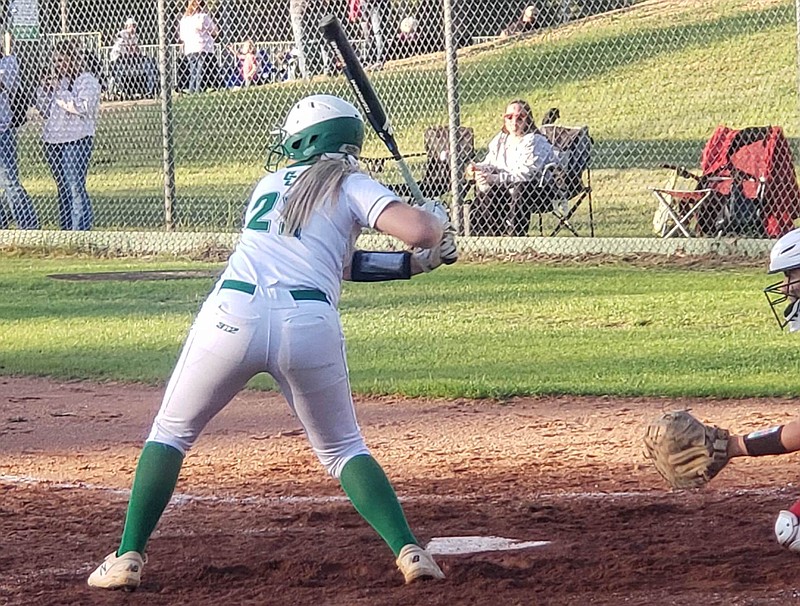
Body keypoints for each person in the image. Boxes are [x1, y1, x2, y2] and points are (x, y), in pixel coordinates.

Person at [86, 94, 455, 591]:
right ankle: (410, 552)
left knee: (171, 432)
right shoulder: (351, 182)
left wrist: (418, 262)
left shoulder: (271, 184)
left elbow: (339, 262)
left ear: (303, 142)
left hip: (231, 317)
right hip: (308, 323)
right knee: (344, 449)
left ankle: (127, 555)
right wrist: (433, 224)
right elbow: (413, 230)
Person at [35, 40, 101, 231]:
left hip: (77, 139)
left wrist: (60, 92)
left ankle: (80, 230)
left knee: (75, 187)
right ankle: (66, 230)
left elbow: (83, 107)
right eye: (55, 61)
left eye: (62, 60)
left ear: (74, 60)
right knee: (63, 188)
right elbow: (46, 110)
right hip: (53, 140)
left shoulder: (86, 80)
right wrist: (44, 91)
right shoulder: (59, 83)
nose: (58, 65)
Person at [467, 99, 557, 236]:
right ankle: (490, 235)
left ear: (528, 120)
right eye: (509, 117)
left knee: (520, 186)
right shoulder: (501, 139)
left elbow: (526, 175)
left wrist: (495, 178)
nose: (514, 121)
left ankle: (515, 237)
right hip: (505, 186)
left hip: (538, 190)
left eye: (520, 117)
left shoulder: (534, 140)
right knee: (487, 188)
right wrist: (477, 168)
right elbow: (490, 163)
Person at [0, 32, 38, 230]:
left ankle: (29, 227)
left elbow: (13, 88)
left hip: (3, 130)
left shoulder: (8, 63)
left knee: (10, 181)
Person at [109, 18, 157, 99]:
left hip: (132, 61)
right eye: (131, 26)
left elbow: (137, 52)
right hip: (119, 62)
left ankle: (150, 90)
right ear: (126, 27)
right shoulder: (122, 35)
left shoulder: (135, 37)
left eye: (134, 26)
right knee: (118, 71)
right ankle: (122, 92)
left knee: (150, 65)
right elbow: (123, 52)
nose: (133, 28)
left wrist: (137, 53)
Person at [179, 0, 218, 93]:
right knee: (200, 72)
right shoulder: (202, 17)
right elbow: (215, 31)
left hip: (190, 48)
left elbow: (182, 37)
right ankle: (198, 90)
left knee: (193, 72)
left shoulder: (184, 20)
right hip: (202, 46)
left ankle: (192, 90)